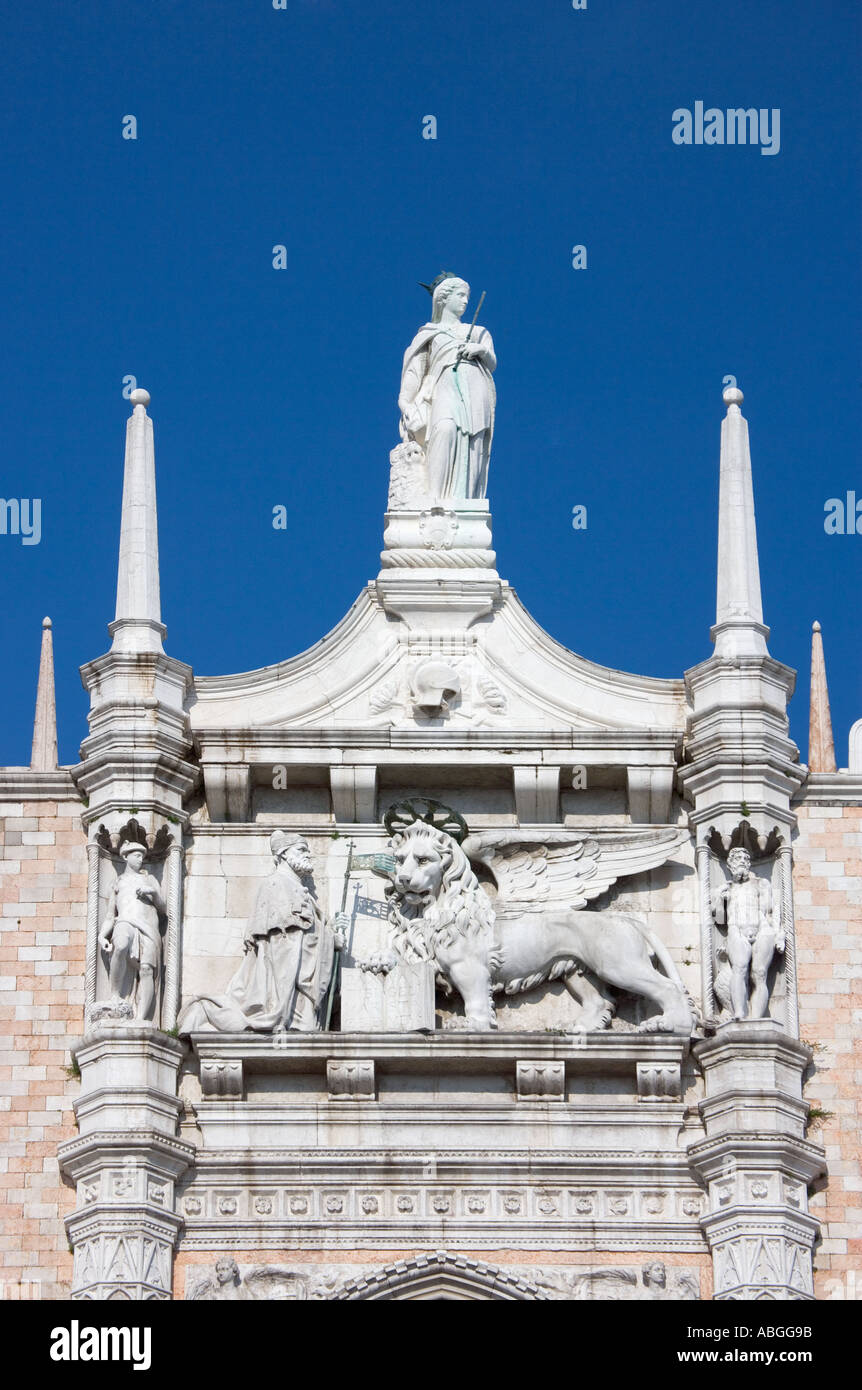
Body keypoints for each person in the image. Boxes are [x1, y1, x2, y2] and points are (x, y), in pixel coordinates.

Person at [179, 832, 346, 1033]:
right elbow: (284, 943)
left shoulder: (299, 890)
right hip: (281, 982)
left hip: (294, 981)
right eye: (301, 850)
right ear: (284, 854)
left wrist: (329, 932)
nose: (308, 855)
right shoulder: (276, 884)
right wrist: (328, 939)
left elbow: (303, 934)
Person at [398, 274, 496, 500]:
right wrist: (406, 405)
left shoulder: (480, 332)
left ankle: (465, 498)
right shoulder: (428, 334)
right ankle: (435, 500)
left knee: (473, 440)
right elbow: (413, 375)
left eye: (467, 297)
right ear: (443, 298)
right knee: (444, 429)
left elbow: (492, 363)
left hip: (475, 384)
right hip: (443, 385)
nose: (465, 301)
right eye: (460, 295)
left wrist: (479, 350)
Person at [712, 847, 783, 1019]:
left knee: (759, 974)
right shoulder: (725, 888)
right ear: (730, 865)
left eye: (745, 858)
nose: (742, 861)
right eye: (737, 858)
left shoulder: (761, 883)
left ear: (749, 863)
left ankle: (757, 1018)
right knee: (739, 969)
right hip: (737, 930)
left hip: (762, 930)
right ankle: (740, 1013)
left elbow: (771, 911)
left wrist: (779, 933)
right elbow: (720, 920)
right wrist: (720, 899)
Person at [99, 840, 166, 1021]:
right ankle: (115, 995)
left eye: (142, 856)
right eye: (137, 856)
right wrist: (102, 936)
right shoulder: (117, 882)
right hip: (125, 921)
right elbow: (109, 916)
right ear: (126, 857)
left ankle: (141, 1019)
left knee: (146, 970)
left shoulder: (149, 880)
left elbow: (163, 908)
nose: (140, 860)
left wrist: (152, 893)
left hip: (148, 928)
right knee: (120, 945)